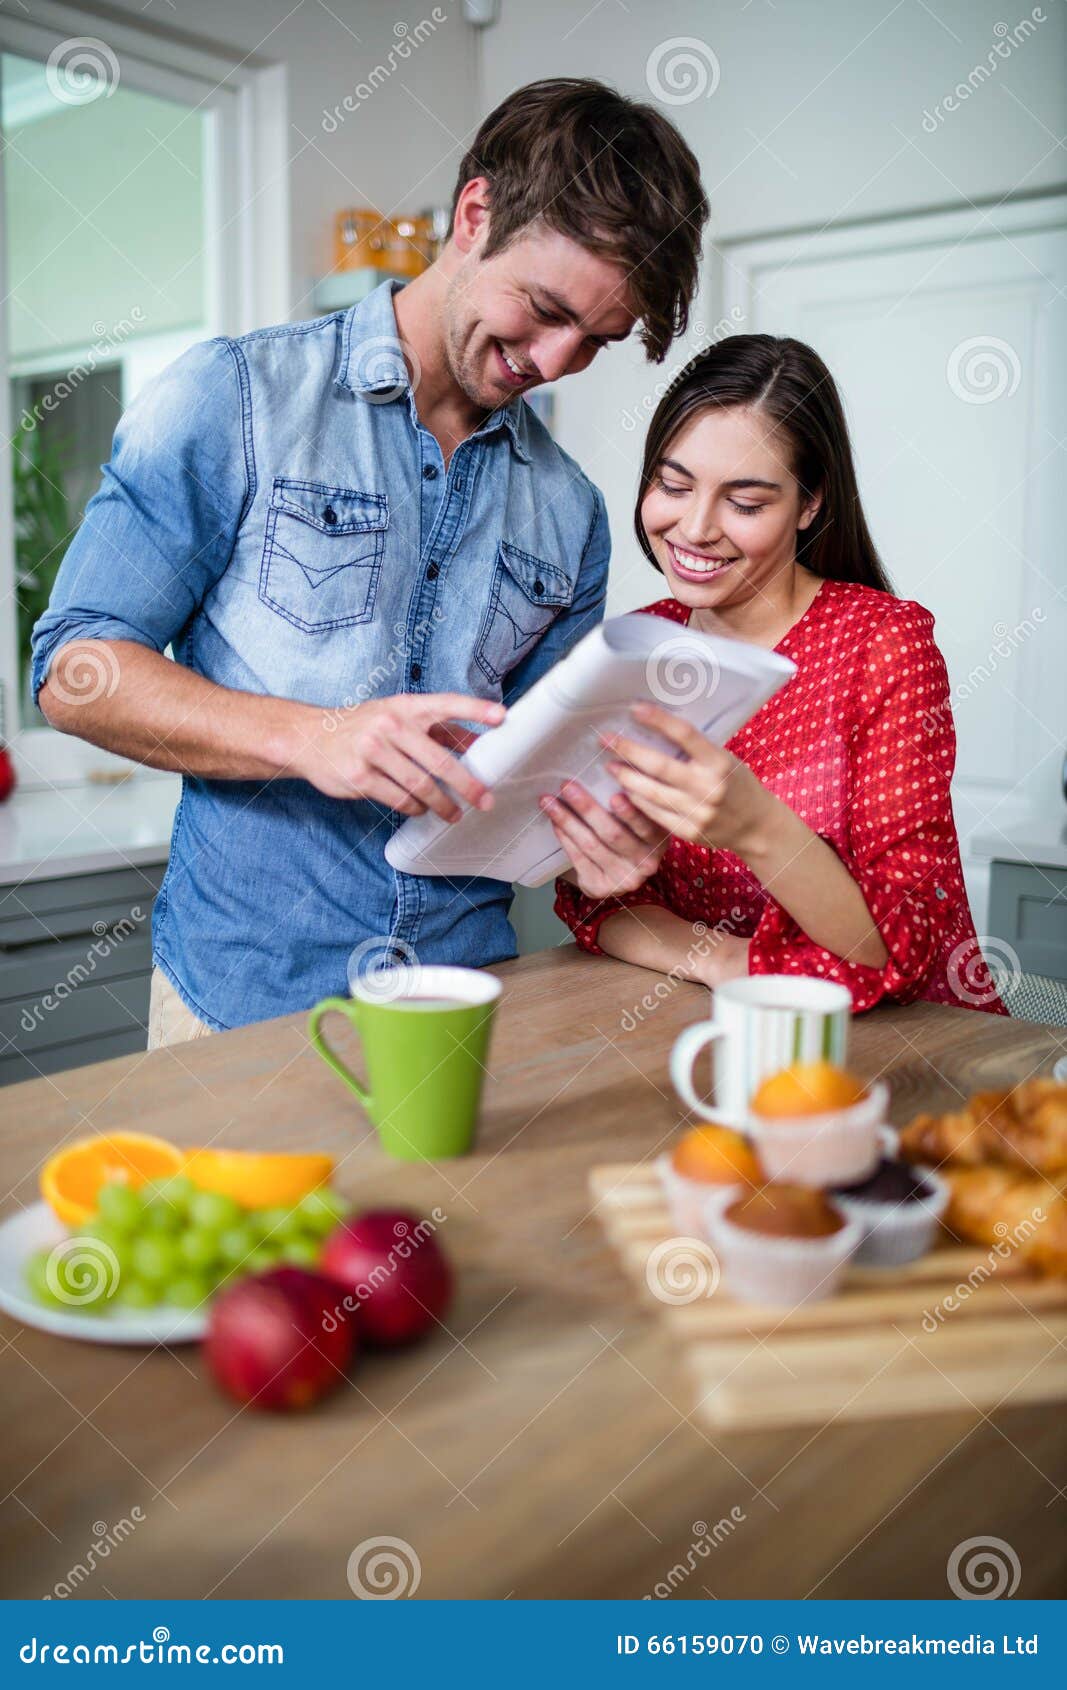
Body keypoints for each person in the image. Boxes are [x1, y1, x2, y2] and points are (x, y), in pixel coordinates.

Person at [30, 79, 708, 1043]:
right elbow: (73, 670)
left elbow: (529, 783)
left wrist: (592, 842)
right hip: (242, 1004)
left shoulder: (572, 512)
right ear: (476, 215)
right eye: (544, 308)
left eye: (593, 342)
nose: (553, 363)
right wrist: (313, 737)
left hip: (467, 1004)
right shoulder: (237, 396)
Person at [546, 335, 1008, 1015]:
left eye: (746, 502)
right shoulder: (640, 645)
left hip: (894, 1051)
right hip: (701, 1026)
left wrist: (757, 827)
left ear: (810, 504)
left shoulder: (882, 644)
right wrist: (722, 960)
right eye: (672, 485)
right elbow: (604, 902)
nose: (694, 528)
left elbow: (900, 944)